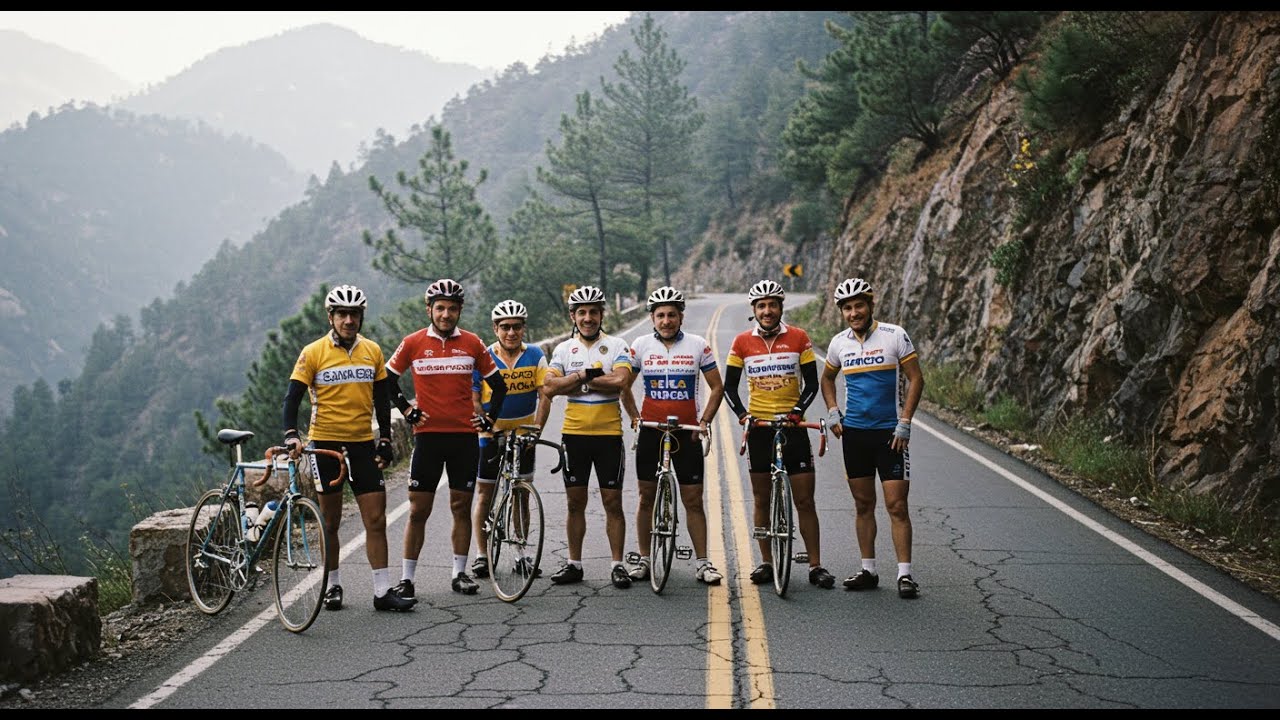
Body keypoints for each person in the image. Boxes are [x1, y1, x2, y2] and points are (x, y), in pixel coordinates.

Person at [281, 284, 416, 612]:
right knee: (330, 521)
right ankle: (334, 585)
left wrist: (385, 438)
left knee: (376, 518)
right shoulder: (312, 352)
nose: (348, 320)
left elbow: (381, 400)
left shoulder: (372, 350)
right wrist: (290, 434)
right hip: (325, 446)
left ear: (361, 316)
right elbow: (292, 398)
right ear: (331, 317)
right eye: (342, 314)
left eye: (354, 314)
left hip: (361, 445)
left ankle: (383, 592)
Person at [384, 278, 507, 599]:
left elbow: (500, 384)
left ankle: (460, 573)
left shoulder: (472, 343)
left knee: (460, 507)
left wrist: (489, 417)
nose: (446, 314)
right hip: (427, 438)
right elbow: (386, 380)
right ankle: (407, 579)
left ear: (460, 310)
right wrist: (407, 410)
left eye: (452, 309)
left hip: (464, 439)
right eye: (440, 308)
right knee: (417, 511)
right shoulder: (412, 342)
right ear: (429, 309)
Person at [722, 279, 836, 589]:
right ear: (754, 310)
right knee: (761, 497)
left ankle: (815, 565)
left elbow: (811, 384)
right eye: (761, 306)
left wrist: (798, 411)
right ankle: (766, 562)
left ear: (780, 308)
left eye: (773, 305)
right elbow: (729, 387)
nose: (767, 310)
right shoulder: (742, 342)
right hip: (759, 428)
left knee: (804, 501)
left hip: (792, 427)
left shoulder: (799, 337)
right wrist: (744, 415)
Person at [820, 277, 924, 599]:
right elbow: (827, 378)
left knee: (897, 506)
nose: (854, 312)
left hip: (890, 435)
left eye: (859, 306)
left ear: (870, 305)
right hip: (855, 436)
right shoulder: (839, 343)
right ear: (842, 312)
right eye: (848, 308)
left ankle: (904, 575)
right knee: (863, 504)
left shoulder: (894, 335)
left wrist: (905, 422)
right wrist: (834, 410)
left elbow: (916, 378)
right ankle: (869, 570)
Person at [624, 287, 726, 585]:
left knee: (693, 500)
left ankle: (703, 563)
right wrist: (634, 417)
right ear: (652, 318)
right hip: (651, 432)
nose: (666, 321)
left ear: (681, 316)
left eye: (671, 315)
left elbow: (717, 387)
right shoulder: (641, 345)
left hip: (688, 432)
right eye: (660, 315)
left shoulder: (698, 345)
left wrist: (705, 420)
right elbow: (623, 386)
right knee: (646, 497)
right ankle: (644, 560)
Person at [542, 285, 640, 589]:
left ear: (601, 315)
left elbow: (621, 381)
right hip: (574, 436)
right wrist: (589, 376)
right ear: (573, 315)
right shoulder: (562, 349)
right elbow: (549, 387)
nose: (588, 318)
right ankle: (574, 563)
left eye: (593, 312)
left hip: (609, 435)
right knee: (575, 504)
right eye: (582, 312)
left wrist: (574, 382)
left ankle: (617, 564)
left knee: (613, 502)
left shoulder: (617, 345)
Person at [469, 299, 551, 580]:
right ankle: (481, 555)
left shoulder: (536, 354)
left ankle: (521, 554)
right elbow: (475, 395)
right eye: (505, 327)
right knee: (485, 494)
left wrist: (537, 428)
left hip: (523, 435)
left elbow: (545, 394)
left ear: (523, 328)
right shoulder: (485, 356)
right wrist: (483, 422)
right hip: (491, 434)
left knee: (521, 495)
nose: (511, 332)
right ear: (495, 328)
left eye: (516, 327)